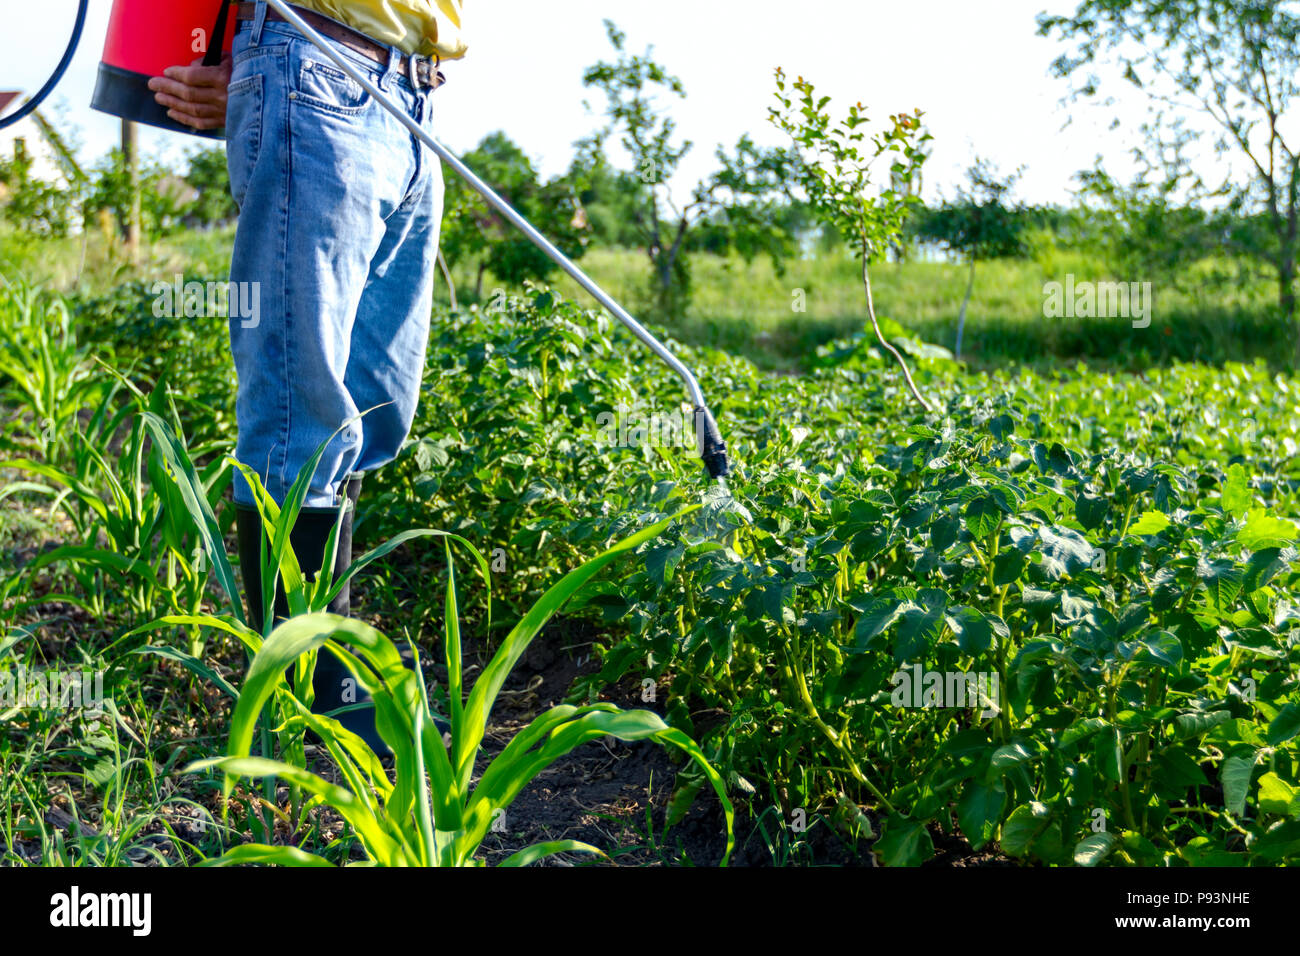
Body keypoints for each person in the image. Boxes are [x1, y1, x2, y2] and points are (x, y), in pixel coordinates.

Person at [147, 1, 466, 752]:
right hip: (314, 66)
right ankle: (306, 697)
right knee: (302, 409)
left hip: (414, 95)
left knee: (378, 404)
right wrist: (249, 54)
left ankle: (329, 670)